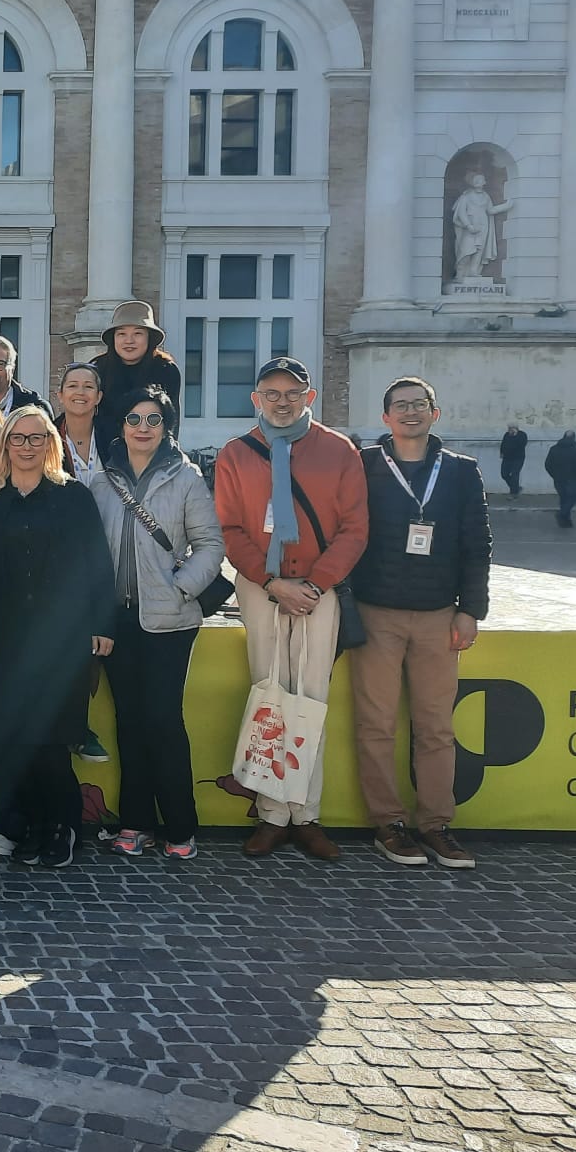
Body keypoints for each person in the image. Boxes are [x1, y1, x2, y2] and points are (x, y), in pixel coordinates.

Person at [214, 357, 369, 861]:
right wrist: (272, 582)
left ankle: (305, 813)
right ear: (256, 399)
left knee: (311, 697)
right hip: (263, 586)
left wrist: (316, 584)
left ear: (310, 397)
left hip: (319, 589)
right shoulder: (236, 454)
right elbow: (230, 528)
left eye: (292, 393)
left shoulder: (338, 450)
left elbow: (354, 527)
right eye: (272, 394)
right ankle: (271, 812)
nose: (282, 402)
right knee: (269, 693)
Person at [0, 407, 113, 868]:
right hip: (2, 639)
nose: (27, 446)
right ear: (5, 444)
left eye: (36, 437)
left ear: (51, 443)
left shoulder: (74, 497)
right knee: (12, 740)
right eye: (18, 438)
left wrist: (103, 624)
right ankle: (25, 824)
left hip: (61, 639)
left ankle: (62, 826)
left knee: (51, 739)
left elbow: (96, 562)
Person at [350, 379, 491, 871]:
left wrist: (471, 609)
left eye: (419, 404)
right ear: (385, 417)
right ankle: (388, 823)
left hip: (438, 614)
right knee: (376, 724)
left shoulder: (461, 470)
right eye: (400, 405)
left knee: (436, 727)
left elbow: (477, 543)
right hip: (376, 612)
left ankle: (436, 823)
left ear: (435, 412)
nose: (410, 412)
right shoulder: (363, 465)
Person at [90, 385, 226, 862]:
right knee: (128, 722)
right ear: (121, 426)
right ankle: (135, 822)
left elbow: (210, 544)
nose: (143, 428)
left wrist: (181, 587)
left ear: (167, 427)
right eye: (134, 419)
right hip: (117, 620)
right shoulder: (101, 481)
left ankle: (180, 826)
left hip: (170, 620)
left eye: (153, 419)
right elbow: (91, 551)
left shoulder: (185, 477)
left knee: (164, 721)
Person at [89, 301, 182, 450]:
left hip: (152, 451)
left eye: (138, 333)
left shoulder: (166, 370)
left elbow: (171, 422)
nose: (129, 341)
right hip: (103, 451)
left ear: (149, 338)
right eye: (122, 334)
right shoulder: (97, 368)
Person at [54, 362, 106, 485]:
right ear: (60, 395)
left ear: (98, 397)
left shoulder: (114, 438)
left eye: (88, 386)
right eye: (72, 386)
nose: (80, 392)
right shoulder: (48, 439)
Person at [545, 431, 576, 528]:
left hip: (558, 478)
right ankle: (562, 514)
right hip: (572, 479)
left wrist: (554, 475)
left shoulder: (554, 449)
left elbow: (548, 464)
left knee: (564, 498)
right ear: (574, 438)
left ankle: (565, 521)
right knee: (572, 498)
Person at [498, 423, 528, 498]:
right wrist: (501, 452)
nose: (509, 430)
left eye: (511, 428)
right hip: (507, 458)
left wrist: (515, 436)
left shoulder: (522, 435)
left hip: (518, 458)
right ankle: (516, 488)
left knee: (515, 474)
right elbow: (503, 443)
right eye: (509, 428)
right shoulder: (506, 435)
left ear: (516, 428)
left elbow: (522, 444)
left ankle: (513, 493)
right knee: (504, 474)